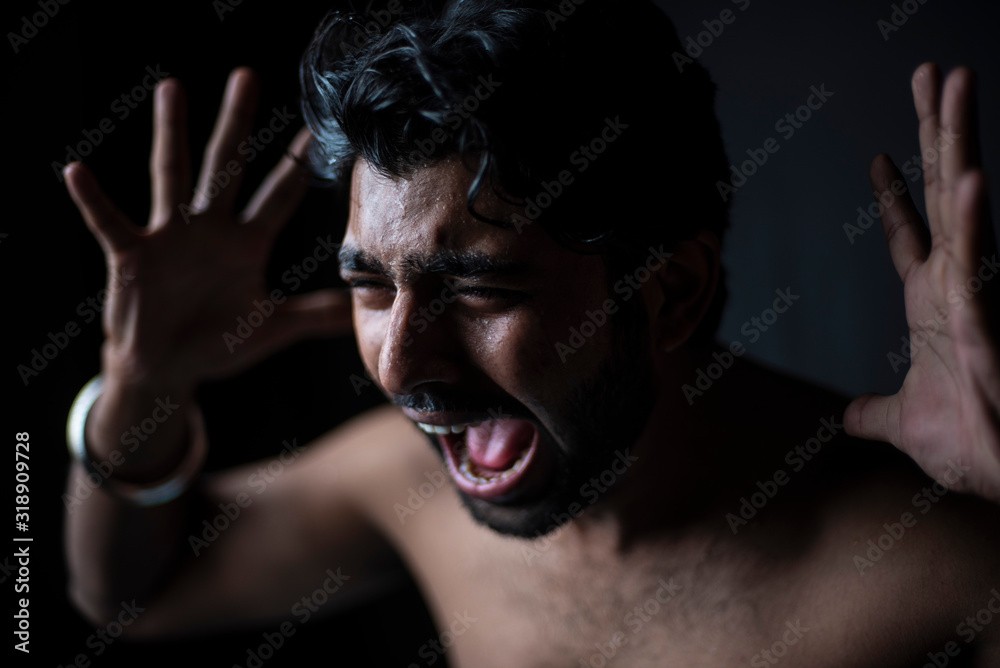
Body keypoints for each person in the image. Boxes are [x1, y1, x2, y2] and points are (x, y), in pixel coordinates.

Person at [62, 0, 1000, 665]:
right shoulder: (408, 485)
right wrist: (138, 393)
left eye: (478, 290)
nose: (401, 365)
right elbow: (132, 597)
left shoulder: (939, 561)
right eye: (369, 284)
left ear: (672, 291)